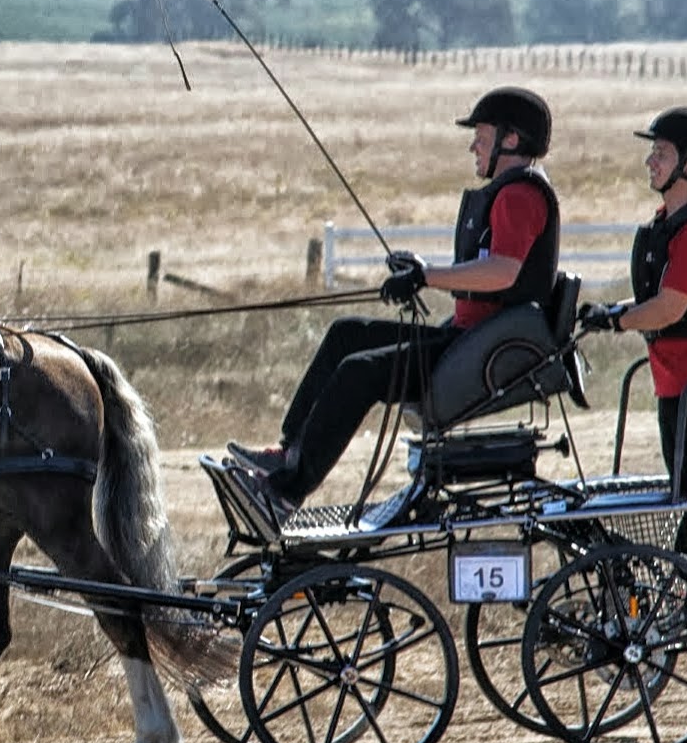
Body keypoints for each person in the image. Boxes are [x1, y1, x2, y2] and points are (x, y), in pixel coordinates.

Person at [228, 86, 561, 520]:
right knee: (346, 334)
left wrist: (426, 276)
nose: (473, 147)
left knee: (359, 372)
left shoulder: (520, 195)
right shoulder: (509, 191)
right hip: (466, 340)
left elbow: (503, 271)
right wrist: (421, 271)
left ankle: (287, 493)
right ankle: (288, 451)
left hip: (480, 352)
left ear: (510, 140)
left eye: (481, 137)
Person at [577, 106, 687, 643]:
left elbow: (671, 307)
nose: (650, 161)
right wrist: (614, 312)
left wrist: (616, 319)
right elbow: (659, 301)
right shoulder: (668, 226)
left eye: (662, 152)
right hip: (675, 382)